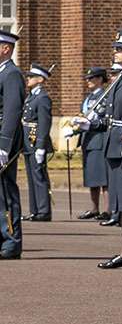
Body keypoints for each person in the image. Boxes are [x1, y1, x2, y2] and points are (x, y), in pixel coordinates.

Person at [73, 30, 122, 271]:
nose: (115, 52)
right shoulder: (121, 80)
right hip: (115, 146)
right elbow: (112, 117)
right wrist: (91, 124)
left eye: (120, 49)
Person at [0, 29, 25, 259]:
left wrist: (4, 146)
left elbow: (11, 111)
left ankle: (11, 241)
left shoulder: (11, 74)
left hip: (3, 140)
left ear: (5, 49)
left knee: (6, 193)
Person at [22, 64, 53, 222]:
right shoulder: (31, 96)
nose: (28, 78)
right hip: (28, 142)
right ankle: (35, 210)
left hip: (36, 142)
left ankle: (43, 211)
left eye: (31, 76)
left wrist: (41, 146)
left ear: (40, 79)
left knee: (39, 176)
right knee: (31, 176)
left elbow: (44, 123)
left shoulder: (42, 98)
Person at [77, 67, 110, 221]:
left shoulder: (104, 97)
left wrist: (91, 123)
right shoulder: (88, 98)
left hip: (98, 139)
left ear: (100, 79)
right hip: (87, 139)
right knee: (91, 176)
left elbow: (104, 119)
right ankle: (94, 208)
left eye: (91, 78)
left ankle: (108, 209)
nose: (88, 81)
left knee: (102, 177)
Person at [99, 62, 122, 227]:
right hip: (110, 138)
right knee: (112, 180)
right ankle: (115, 212)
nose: (112, 77)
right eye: (112, 74)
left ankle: (121, 213)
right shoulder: (111, 93)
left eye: (116, 74)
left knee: (121, 181)